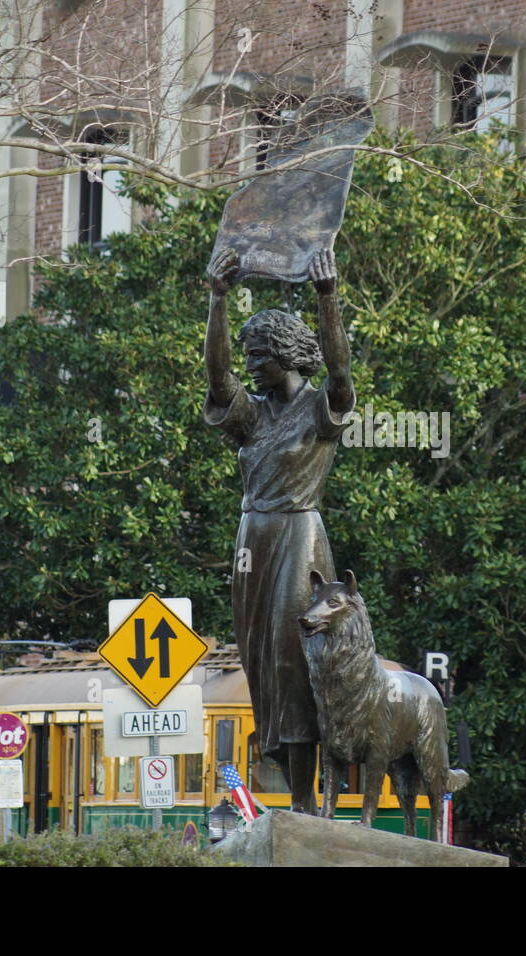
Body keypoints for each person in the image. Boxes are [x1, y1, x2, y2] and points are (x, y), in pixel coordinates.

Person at [203, 245, 355, 814]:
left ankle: (304, 799)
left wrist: (328, 297)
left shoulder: (319, 409)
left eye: (256, 356)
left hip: (299, 539)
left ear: (284, 357)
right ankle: (290, 787)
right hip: (253, 542)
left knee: (295, 658)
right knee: (261, 659)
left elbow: (341, 373)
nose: (247, 366)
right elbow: (217, 378)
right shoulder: (251, 414)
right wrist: (217, 298)